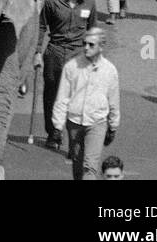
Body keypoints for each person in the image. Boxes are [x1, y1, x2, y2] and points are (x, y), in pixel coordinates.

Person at [36, 0, 96, 150]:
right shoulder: (52, 1)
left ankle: (75, 139)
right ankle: (54, 133)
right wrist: (37, 52)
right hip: (54, 52)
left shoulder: (90, 3)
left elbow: (93, 30)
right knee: (52, 95)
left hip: (78, 54)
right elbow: (41, 26)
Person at [51, 28, 120, 181]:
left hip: (97, 122)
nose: (86, 48)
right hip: (74, 122)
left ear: (101, 46)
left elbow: (114, 101)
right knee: (77, 163)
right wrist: (57, 126)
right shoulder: (71, 67)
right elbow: (62, 98)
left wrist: (113, 126)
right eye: (84, 44)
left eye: (91, 45)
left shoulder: (110, 70)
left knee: (90, 166)